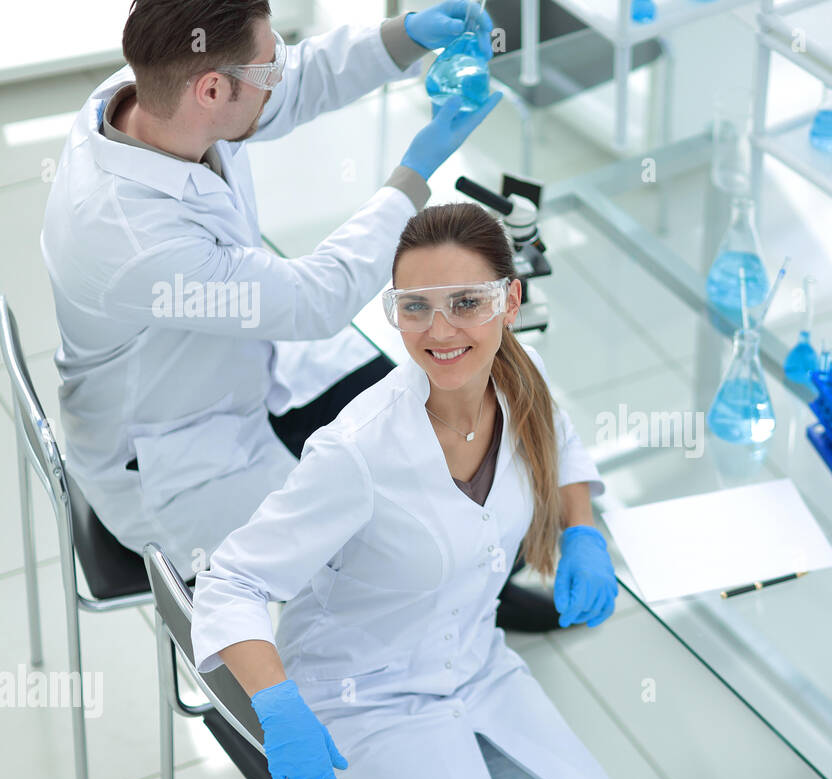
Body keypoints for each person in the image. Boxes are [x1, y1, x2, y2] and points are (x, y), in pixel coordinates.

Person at [40, 0, 561, 628]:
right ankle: (441, 640)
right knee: (388, 557)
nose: (280, 74)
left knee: (443, 401)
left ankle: (482, 573)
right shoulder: (130, 235)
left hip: (233, 371)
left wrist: (402, 35)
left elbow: (297, 80)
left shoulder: (148, 99)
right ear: (211, 89)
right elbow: (318, 298)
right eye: (267, 67)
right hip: (172, 456)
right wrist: (417, 171)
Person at [189, 202, 634, 779]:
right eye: (415, 306)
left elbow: (558, 442)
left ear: (510, 302)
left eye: (466, 302)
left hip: (476, 670)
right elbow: (233, 579)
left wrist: (582, 530)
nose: (441, 330)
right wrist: (278, 705)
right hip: (361, 699)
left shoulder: (520, 380)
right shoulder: (358, 452)